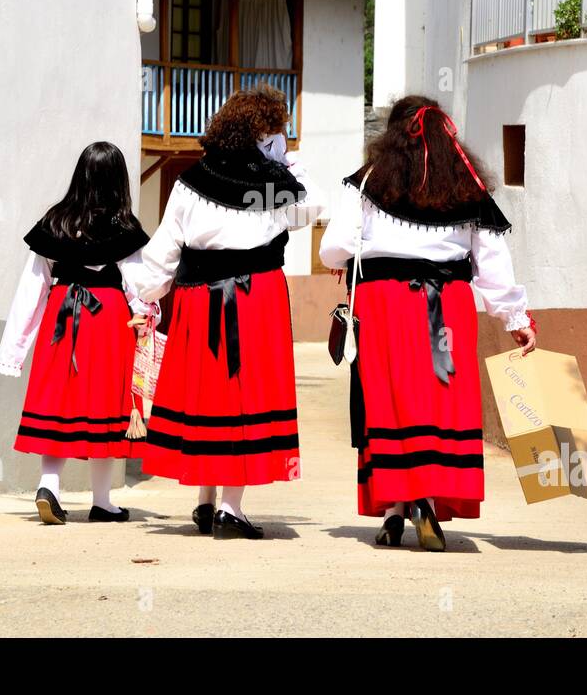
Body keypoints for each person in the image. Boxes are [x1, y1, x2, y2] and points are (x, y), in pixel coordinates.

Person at [319, 96, 536, 552]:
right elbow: (493, 264)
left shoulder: (369, 180)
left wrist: (359, 253)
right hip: (447, 305)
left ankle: (394, 510)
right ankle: (428, 503)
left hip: (384, 305)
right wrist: (516, 318)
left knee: (389, 399)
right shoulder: (467, 185)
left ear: (392, 135)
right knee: (439, 401)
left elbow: (333, 249)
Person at [128, 85, 323, 540]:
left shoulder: (189, 182)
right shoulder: (275, 186)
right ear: (263, 136)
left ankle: (204, 501)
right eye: (276, 133)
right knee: (243, 401)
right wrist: (290, 164)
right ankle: (231, 509)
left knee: (206, 397)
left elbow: (164, 250)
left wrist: (146, 297)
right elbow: (312, 208)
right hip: (255, 299)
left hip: (199, 300)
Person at [0, 141, 158, 525]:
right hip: (110, 320)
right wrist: (146, 316)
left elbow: (31, 288)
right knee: (105, 404)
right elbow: (138, 285)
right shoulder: (125, 228)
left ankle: (50, 485)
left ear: (80, 175)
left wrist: (12, 352)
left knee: (58, 399)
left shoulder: (55, 222)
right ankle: (102, 501)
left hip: (63, 316)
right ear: (118, 180)